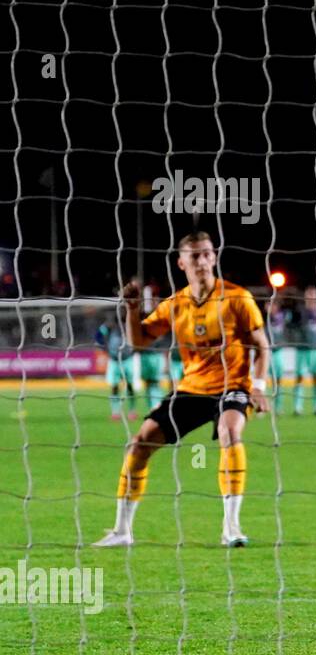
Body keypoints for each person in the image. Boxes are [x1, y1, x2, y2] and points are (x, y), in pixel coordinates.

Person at [93, 230, 271, 549]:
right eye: (195, 255)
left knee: (230, 432)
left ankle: (231, 527)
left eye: (206, 253)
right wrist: (133, 310)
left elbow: (262, 346)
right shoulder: (175, 304)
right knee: (139, 444)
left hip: (234, 386)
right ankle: (122, 531)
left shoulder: (237, 298)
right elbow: (139, 341)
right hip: (192, 388)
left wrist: (258, 386)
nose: (202, 260)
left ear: (214, 257)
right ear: (181, 262)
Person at [94, 314, 136, 422]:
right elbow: (98, 335)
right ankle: (115, 412)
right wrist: (103, 347)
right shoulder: (109, 327)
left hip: (128, 360)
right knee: (114, 386)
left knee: (130, 386)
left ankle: (132, 411)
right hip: (114, 361)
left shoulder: (130, 327)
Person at [293, 286, 316, 416]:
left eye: (314, 294)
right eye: (309, 294)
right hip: (302, 349)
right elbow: (293, 326)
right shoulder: (299, 311)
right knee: (299, 378)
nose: (311, 296)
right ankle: (297, 407)